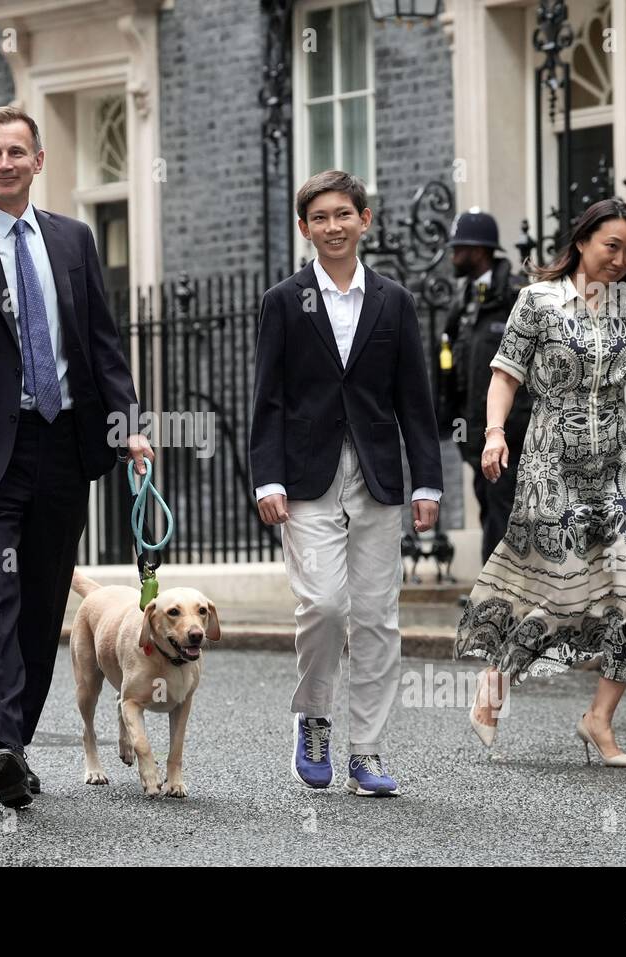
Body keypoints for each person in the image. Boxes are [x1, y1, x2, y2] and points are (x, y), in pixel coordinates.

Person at [0, 106, 152, 809]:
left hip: (64, 446)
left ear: (39, 161)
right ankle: (4, 738)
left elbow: (102, 346)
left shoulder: (73, 241)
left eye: (19, 151)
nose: (7, 162)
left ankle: (9, 743)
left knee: (43, 601)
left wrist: (128, 425)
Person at [456, 198, 626, 766]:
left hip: (619, 464)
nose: (620, 258)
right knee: (552, 585)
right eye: (612, 245)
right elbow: (504, 375)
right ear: (584, 240)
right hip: (550, 461)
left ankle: (599, 721)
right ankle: (495, 681)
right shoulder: (536, 300)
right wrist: (493, 433)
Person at [250, 169, 443, 797]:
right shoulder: (284, 301)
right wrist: (266, 478)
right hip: (305, 478)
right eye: (321, 218)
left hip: (378, 476)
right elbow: (269, 400)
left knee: (378, 618)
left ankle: (367, 752)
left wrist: (428, 485)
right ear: (305, 229)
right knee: (326, 606)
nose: (333, 227)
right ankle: (314, 718)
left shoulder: (394, 300)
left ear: (365, 220)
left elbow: (415, 399)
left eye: (344, 214)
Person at [441, 209, 531, 563]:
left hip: (512, 431)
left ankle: (497, 593)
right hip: (475, 430)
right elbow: (448, 361)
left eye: (458, 248)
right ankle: (496, 591)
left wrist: (517, 423)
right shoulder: (463, 303)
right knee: (489, 504)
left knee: (505, 508)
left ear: (479, 251)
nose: (452, 256)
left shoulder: (514, 296)